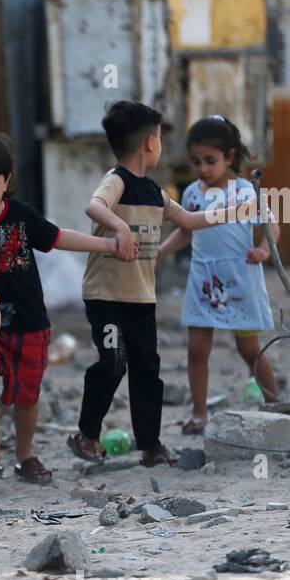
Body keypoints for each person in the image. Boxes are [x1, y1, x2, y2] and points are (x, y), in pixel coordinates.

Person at [67, 101, 255, 467]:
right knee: (112, 361)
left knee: (146, 370)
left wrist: (234, 212)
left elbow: (189, 220)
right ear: (151, 143)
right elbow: (94, 207)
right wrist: (120, 227)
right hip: (105, 296)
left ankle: (150, 445)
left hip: (140, 297)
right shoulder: (116, 180)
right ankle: (87, 434)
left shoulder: (155, 192)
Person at [0, 133, 133, 485]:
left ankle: (24, 455)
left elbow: (58, 237)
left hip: (28, 323)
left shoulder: (20, 215)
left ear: (7, 181)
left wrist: (107, 244)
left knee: (26, 396)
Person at [157, 115, 280, 434]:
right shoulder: (191, 195)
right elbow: (185, 232)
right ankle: (199, 413)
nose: (202, 169)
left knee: (249, 349)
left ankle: (276, 406)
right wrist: (159, 252)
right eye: (195, 162)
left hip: (240, 276)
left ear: (229, 157)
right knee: (197, 349)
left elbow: (271, 228)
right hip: (203, 279)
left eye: (210, 161)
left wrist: (264, 251)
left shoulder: (246, 191)